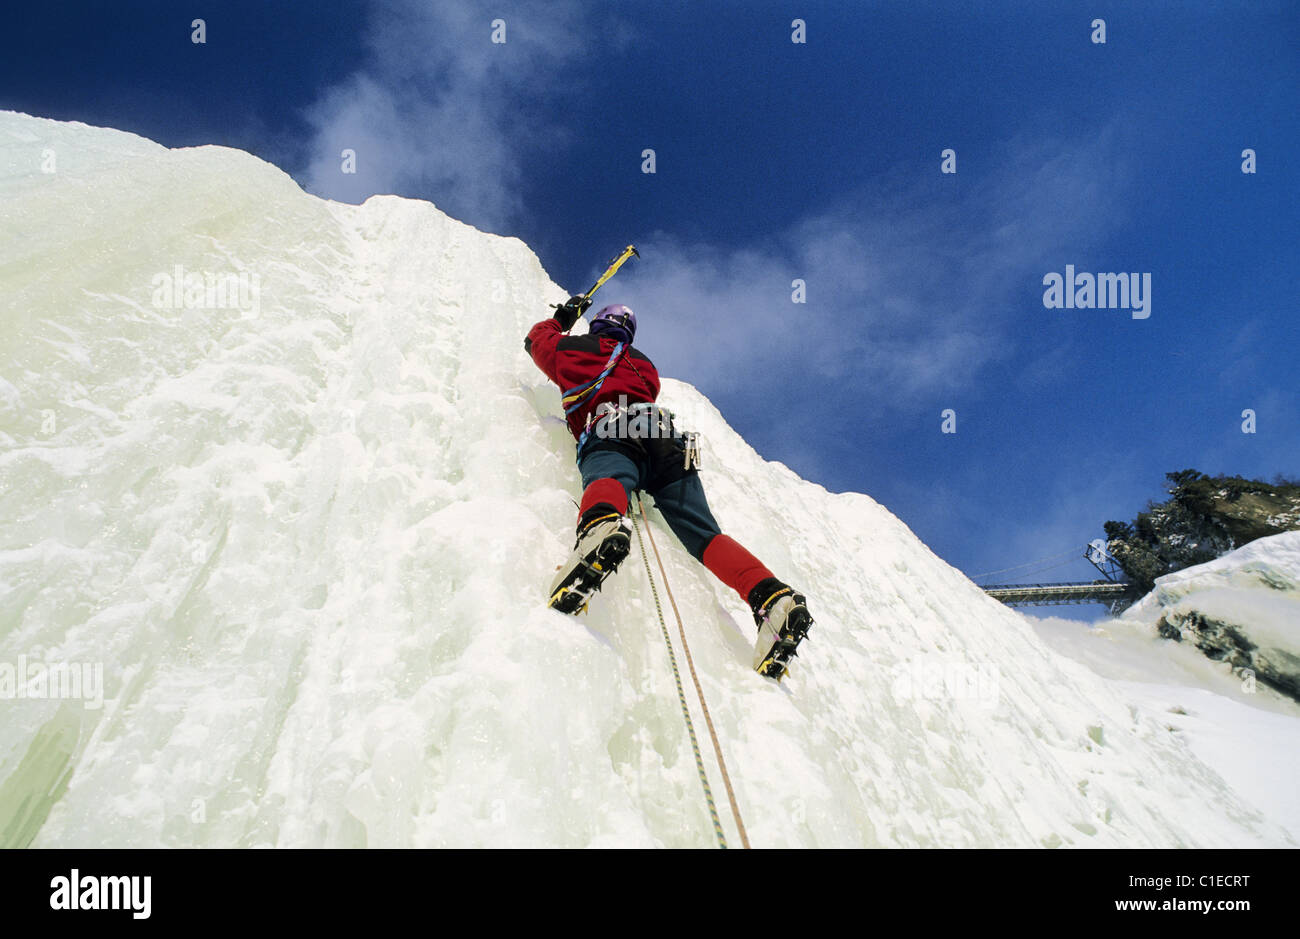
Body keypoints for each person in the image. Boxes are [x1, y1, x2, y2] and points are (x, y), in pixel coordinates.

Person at [524, 295, 812, 675]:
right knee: (704, 535)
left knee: (609, 476)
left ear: (598, 325)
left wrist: (563, 316)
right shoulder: (645, 365)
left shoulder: (573, 348)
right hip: (667, 440)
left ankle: (600, 529)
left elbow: (535, 340)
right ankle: (772, 597)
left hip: (613, 426)